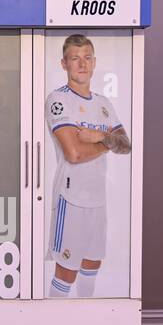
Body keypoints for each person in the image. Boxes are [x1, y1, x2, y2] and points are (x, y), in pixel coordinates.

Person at [44, 34, 130, 297]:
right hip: (71, 199)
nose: (82, 64)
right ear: (64, 64)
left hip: (97, 199)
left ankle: (86, 324)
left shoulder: (103, 104)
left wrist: (101, 136)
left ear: (94, 63)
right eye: (75, 59)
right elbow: (74, 154)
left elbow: (126, 144)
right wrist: (108, 142)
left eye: (87, 58)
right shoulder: (59, 100)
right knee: (67, 271)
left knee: (92, 264)